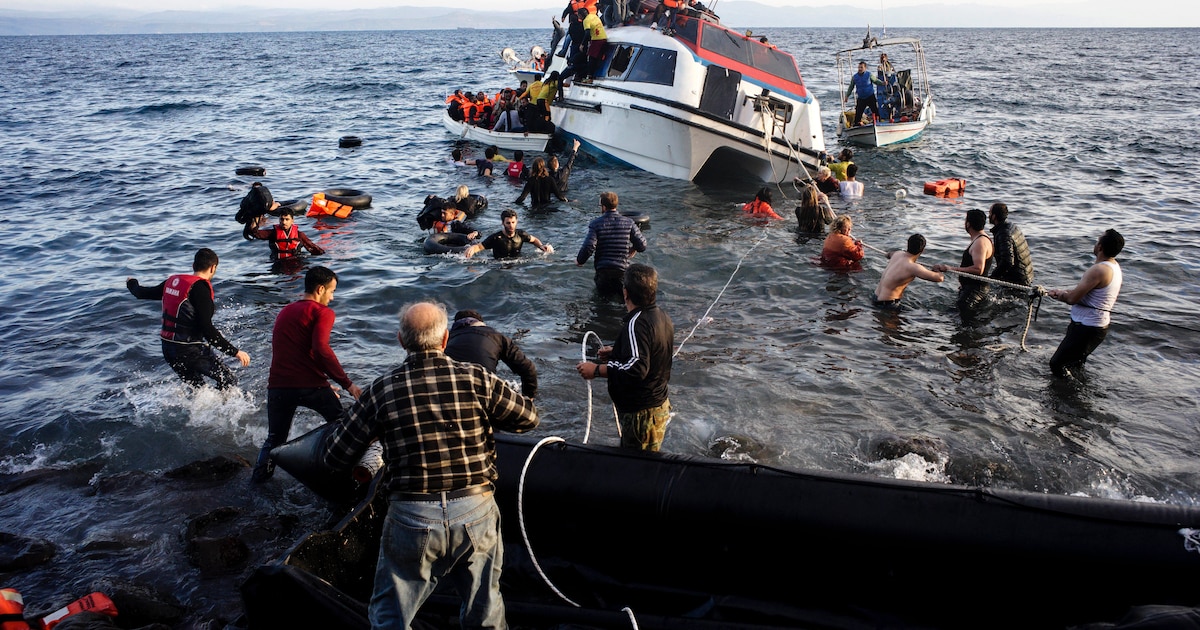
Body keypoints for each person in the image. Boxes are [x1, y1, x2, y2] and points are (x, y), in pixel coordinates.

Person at [320, 300, 538, 630]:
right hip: (476, 511)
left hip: (412, 516)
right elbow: (528, 419)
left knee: (391, 615)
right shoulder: (476, 378)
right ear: (445, 338)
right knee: (486, 611)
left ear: (401, 341)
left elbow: (334, 456)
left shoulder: (382, 390)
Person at [251, 266, 362, 483]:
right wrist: (348, 384)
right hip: (309, 386)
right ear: (320, 289)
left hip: (278, 386)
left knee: (275, 440)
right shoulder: (323, 312)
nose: (332, 297)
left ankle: (258, 484)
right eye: (332, 291)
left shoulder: (285, 311)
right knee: (343, 425)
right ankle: (345, 478)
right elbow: (321, 349)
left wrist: (322, 382)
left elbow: (291, 352)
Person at [576, 264, 674, 451]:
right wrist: (618, 352)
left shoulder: (636, 323)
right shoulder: (662, 317)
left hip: (642, 415)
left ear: (625, 293)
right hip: (657, 406)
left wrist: (595, 370)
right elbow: (654, 351)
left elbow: (636, 369)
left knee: (638, 468)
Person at [126, 248, 251, 390]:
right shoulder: (200, 289)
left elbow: (141, 293)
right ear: (213, 268)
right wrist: (235, 352)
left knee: (199, 390)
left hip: (168, 350)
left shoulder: (172, 282)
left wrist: (131, 282)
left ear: (193, 266)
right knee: (229, 380)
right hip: (189, 351)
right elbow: (207, 329)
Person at [1047, 229, 1124, 379]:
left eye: (1098, 240)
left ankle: (1066, 395)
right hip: (1095, 327)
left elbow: (1072, 299)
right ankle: (1076, 394)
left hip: (1086, 328)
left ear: (1100, 247)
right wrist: (1063, 291)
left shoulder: (1098, 270)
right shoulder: (1113, 266)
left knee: (1056, 364)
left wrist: (1061, 295)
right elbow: (1087, 294)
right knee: (1075, 364)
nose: (1095, 243)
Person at [444, 309, 539, 398]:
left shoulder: (445, 339)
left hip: (450, 392)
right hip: (485, 393)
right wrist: (528, 399)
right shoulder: (497, 337)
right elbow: (528, 369)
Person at [576, 191, 648, 295]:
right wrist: (634, 248)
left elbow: (589, 245)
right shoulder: (629, 222)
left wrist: (580, 260)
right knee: (622, 304)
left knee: (602, 305)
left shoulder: (596, 224)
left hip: (603, 272)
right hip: (622, 272)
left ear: (604, 207)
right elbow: (642, 245)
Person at [932, 209, 994, 311]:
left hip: (974, 292)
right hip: (973, 289)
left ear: (968, 224)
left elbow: (978, 269)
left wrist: (950, 268)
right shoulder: (981, 239)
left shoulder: (980, 243)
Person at [874, 234, 945, 310]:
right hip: (887, 305)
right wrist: (938, 270)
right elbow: (940, 278)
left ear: (908, 245)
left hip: (875, 297)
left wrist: (891, 255)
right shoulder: (913, 267)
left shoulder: (897, 254)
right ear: (922, 250)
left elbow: (888, 254)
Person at [464, 209, 554, 260]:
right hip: (499, 265)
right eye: (508, 223)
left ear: (516, 222)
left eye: (513, 222)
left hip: (518, 263)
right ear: (503, 223)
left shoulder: (521, 234)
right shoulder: (496, 238)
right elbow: (480, 247)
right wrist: (472, 248)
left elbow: (534, 240)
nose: (511, 226)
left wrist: (541, 246)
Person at [248, 207, 325, 261]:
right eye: (282, 219)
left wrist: (326, 256)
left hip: (296, 262)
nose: (284, 222)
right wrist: (256, 218)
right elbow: (254, 233)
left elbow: (313, 248)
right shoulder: (272, 233)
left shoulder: (299, 235)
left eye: (287, 219)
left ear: (292, 221)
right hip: (278, 263)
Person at [988, 202, 1035, 288]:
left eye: (990, 213)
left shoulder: (1003, 233)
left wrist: (992, 278)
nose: (988, 215)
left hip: (1018, 280)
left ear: (994, 216)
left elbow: (1007, 261)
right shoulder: (1012, 227)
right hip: (1027, 275)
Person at [845, 60, 884, 127]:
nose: (860, 69)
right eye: (859, 67)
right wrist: (847, 96)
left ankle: (878, 121)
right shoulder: (855, 77)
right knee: (858, 113)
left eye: (861, 67)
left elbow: (876, 81)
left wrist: (883, 83)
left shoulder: (869, 75)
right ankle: (857, 124)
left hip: (870, 96)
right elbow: (851, 87)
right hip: (861, 98)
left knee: (874, 110)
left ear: (865, 68)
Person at [580, 7, 607, 82]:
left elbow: (587, 33)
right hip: (604, 37)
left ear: (581, 15)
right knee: (599, 58)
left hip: (596, 39)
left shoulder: (586, 21)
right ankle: (596, 75)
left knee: (592, 58)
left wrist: (582, 44)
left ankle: (590, 77)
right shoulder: (594, 16)